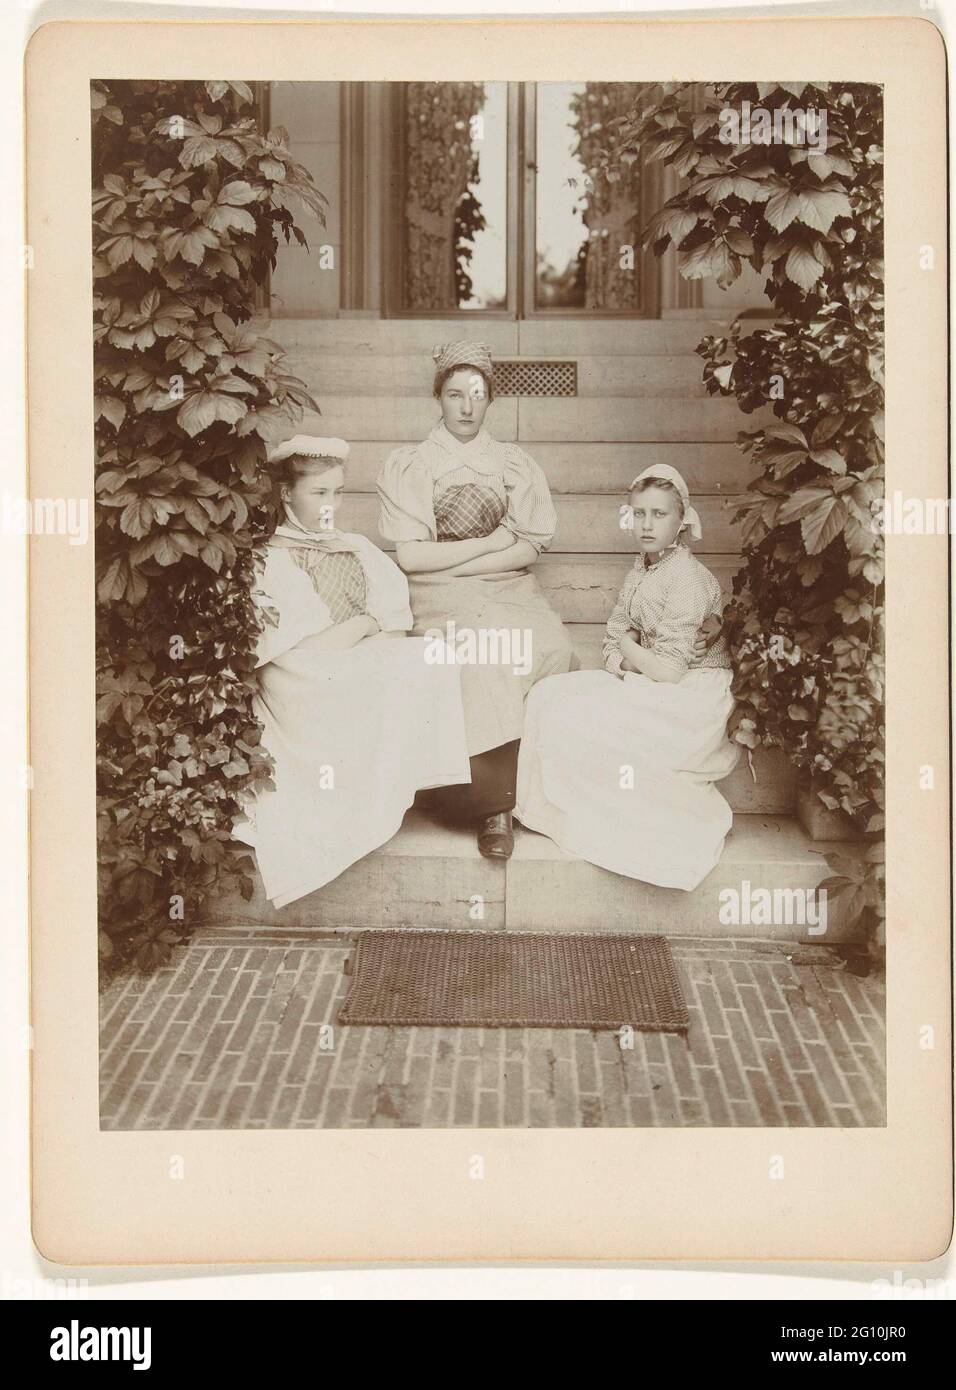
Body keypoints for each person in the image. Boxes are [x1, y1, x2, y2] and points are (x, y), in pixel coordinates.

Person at [234, 435, 471, 909]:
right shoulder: (272, 557)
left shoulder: (356, 548)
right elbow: (299, 645)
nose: (330, 505)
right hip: (298, 676)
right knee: (354, 669)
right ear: (287, 495)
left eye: (337, 493)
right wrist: (364, 624)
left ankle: (394, 786)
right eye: (318, 493)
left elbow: (394, 625)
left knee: (429, 656)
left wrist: (369, 633)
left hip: (348, 658)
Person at [376, 341, 577, 860]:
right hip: (438, 592)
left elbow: (529, 546)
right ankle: (490, 808)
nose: (467, 406)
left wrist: (471, 559)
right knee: (481, 656)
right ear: (437, 397)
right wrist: (491, 545)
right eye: (455, 394)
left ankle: (535, 795)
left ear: (491, 400)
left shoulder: (512, 462)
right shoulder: (413, 464)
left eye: (478, 395)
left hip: (507, 583)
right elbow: (413, 560)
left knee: (548, 645)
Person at [514, 464, 740, 892]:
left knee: (578, 716)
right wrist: (626, 656)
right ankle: (548, 812)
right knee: (547, 693)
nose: (647, 524)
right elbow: (611, 638)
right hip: (652, 680)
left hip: (690, 698)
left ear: (681, 520)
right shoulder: (642, 568)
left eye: (659, 514)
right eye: (639, 514)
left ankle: (592, 819)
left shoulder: (689, 580)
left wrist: (630, 651)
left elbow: (669, 670)